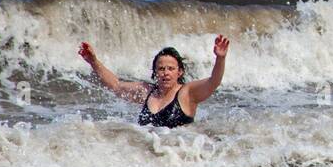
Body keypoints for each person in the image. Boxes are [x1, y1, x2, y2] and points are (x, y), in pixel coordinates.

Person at [79, 35, 229, 127]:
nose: (166, 73)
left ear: (180, 72)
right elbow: (115, 85)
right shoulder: (146, 92)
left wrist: (220, 58)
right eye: (161, 69)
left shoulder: (186, 93)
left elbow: (213, 82)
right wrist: (93, 61)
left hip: (179, 163)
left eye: (171, 68)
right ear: (155, 72)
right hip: (150, 162)